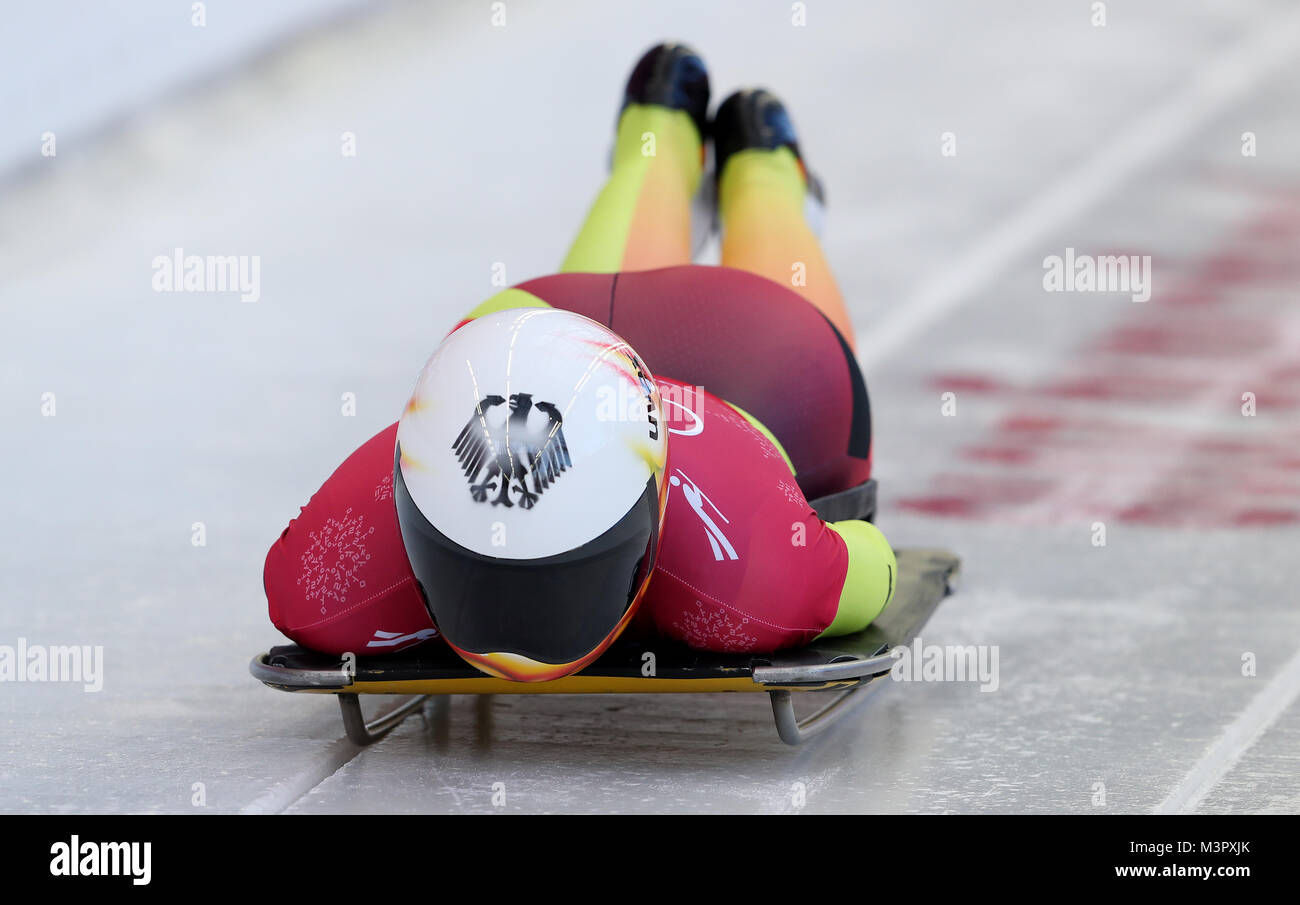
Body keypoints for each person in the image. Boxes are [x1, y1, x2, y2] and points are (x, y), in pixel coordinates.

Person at [263, 43, 895, 680]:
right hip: (707, 339)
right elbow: (871, 563)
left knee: (661, 290)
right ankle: (725, 148)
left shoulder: (750, 574)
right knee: (683, 253)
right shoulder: (754, 578)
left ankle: (702, 149)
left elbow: (866, 570)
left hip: (761, 360)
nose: (514, 633)